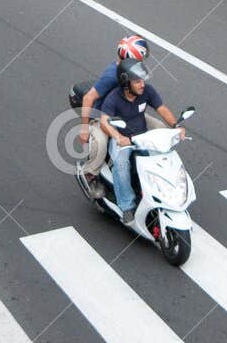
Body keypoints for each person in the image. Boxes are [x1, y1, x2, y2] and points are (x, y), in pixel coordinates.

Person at [97, 60, 181, 223]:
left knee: (162, 159)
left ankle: (165, 194)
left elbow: (161, 108)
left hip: (143, 137)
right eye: (137, 81)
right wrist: (118, 137)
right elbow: (104, 121)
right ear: (126, 84)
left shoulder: (147, 91)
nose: (142, 84)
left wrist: (176, 125)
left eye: (142, 80)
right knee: (121, 166)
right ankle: (127, 206)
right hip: (123, 140)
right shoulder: (113, 98)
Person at [77, 34, 157, 196]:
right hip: (104, 116)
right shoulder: (112, 75)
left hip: (127, 113)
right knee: (100, 142)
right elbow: (88, 97)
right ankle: (90, 174)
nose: (142, 63)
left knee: (159, 128)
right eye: (140, 59)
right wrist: (85, 128)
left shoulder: (133, 72)